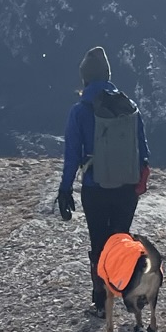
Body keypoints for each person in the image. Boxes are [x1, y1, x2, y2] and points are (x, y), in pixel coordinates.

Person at [57, 46, 151, 314]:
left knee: (100, 243)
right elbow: (144, 151)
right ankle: (132, 292)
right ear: (108, 75)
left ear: (84, 78)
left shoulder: (80, 111)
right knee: (122, 240)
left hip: (95, 188)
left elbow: (72, 155)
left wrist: (65, 190)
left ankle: (101, 302)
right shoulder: (129, 107)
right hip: (126, 188)